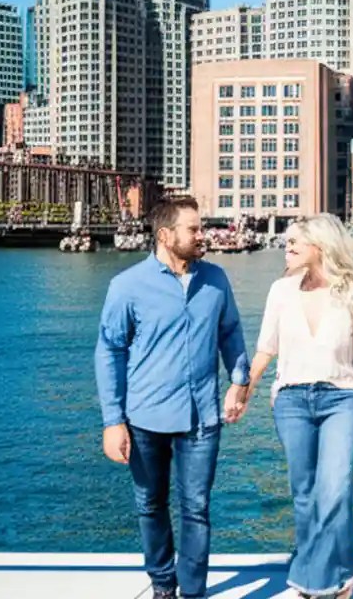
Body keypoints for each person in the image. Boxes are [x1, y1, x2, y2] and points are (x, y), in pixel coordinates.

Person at [94, 196, 251, 599]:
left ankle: (193, 592)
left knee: (196, 508)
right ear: (165, 235)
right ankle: (163, 584)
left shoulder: (216, 280)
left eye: (202, 228)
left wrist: (239, 379)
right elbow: (110, 352)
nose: (203, 235)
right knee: (150, 504)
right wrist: (113, 421)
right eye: (193, 229)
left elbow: (230, 331)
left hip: (202, 418)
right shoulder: (126, 286)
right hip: (144, 419)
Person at [234, 213, 353, 598]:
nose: (287, 248)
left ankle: (309, 581)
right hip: (292, 401)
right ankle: (342, 574)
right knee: (304, 493)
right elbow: (266, 348)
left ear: (320, 246)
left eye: (295, 242)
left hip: (343, 398)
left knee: (334, 489)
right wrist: (244, 391)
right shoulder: (280, 291)